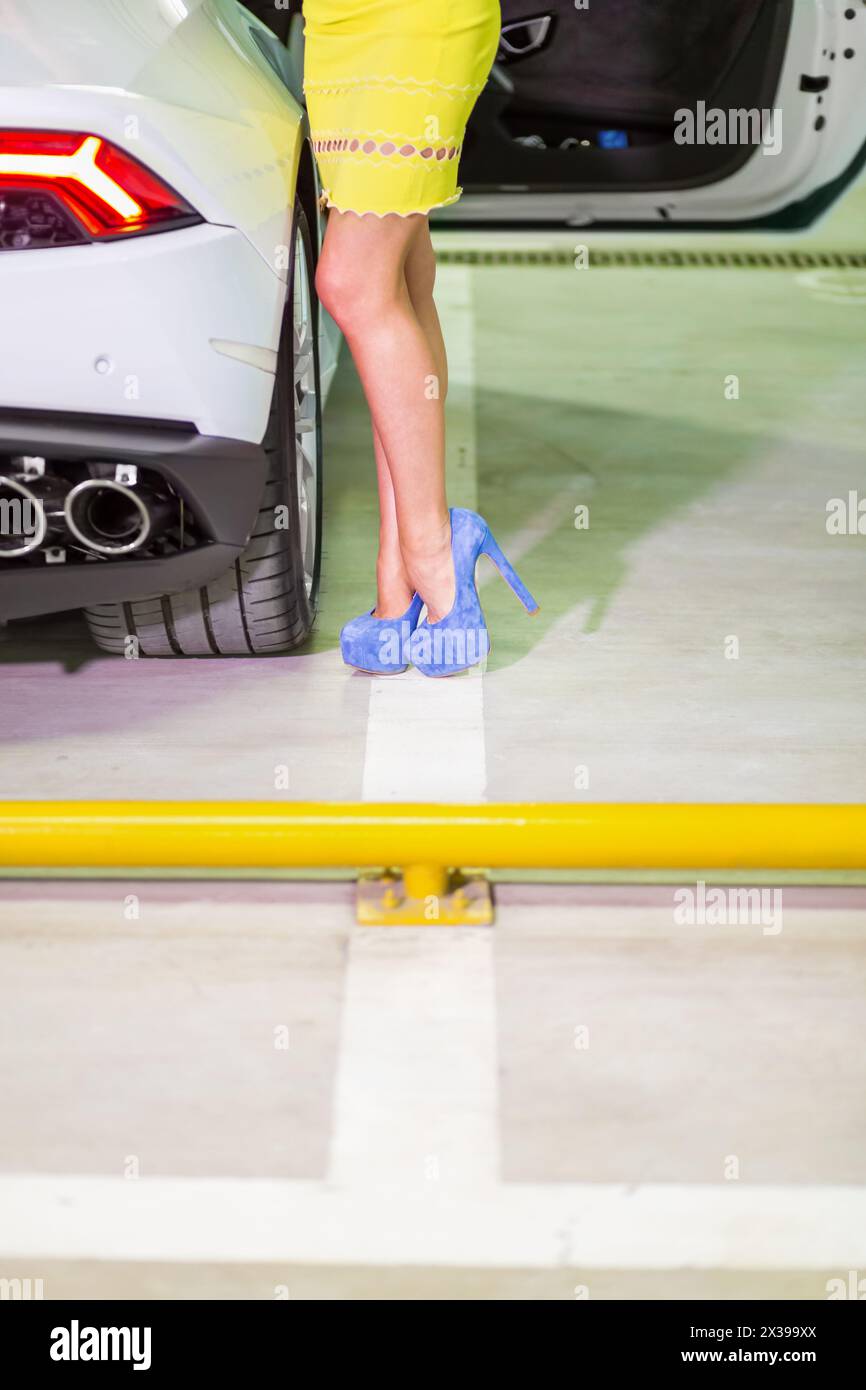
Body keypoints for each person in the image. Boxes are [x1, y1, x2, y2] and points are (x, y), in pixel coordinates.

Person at [303, 0, 538, 676]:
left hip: (419, 18)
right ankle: (398, 559)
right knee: (398, 271)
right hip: (336, 23)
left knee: (350, 281)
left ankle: (434, 549)